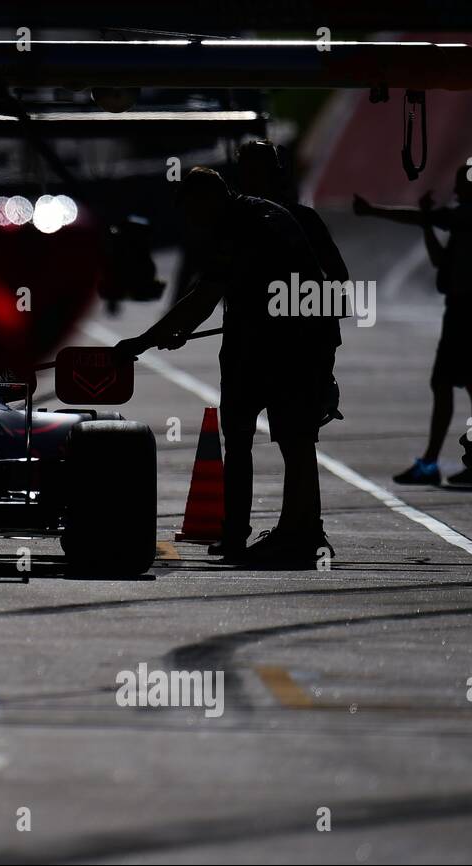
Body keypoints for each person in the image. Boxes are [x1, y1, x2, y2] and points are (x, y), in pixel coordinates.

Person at [115, 167, 337, 567]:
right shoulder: (260, 215)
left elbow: (205, 297)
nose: (194, 225)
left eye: (194, 213)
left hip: (283, 348)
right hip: (275, 343)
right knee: (280, 440)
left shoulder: (242, 226)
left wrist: (143, 341)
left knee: (282, 440)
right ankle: (285, 531)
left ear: (208, 200)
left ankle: (292, 534)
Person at [355, 163, 472, 488]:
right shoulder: (468, 221)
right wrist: (426, 223)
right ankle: (443, 460)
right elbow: (439, 259)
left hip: (469, 310)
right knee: (448, 385)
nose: (459, 190)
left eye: (465, 183)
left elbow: (430, 219)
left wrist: (373, 211)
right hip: (461, 310)